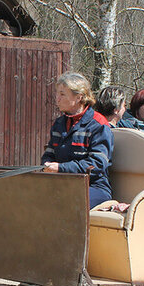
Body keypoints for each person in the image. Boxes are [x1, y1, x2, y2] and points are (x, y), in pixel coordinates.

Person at [42, 72, 114, 209]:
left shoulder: (98, 124)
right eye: (57, 93)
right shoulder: (59, 124)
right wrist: (46, 165)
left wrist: (61, 168)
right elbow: (49, 154)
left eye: (62, 94)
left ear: (79, 97)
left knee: (65, 203)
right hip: (62, 185)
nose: (57, 99)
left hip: (93, 187)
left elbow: (97, 164)